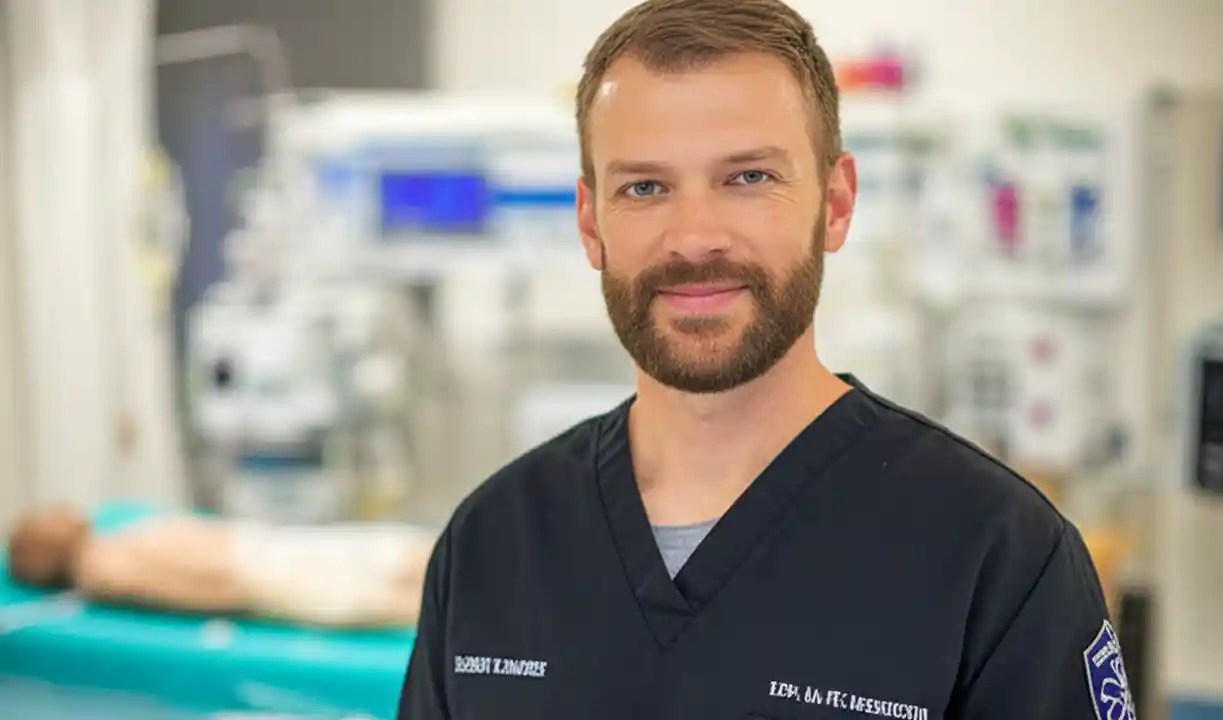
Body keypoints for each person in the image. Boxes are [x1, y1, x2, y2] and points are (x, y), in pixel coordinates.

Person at [398, 0, 1135, 717]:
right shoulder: (490, 547)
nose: (695, 238)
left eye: (748, 178)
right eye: (645, 187)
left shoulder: (998, 558)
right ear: (592, 224)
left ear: (837, 203)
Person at [7, 505, 434, 628]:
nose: (59, 508)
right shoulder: (100, 568)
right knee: (422, 594)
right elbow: (193, 586)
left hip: (271, 552)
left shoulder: (109, 539)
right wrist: (250, 590)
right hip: (269, 574)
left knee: (414, 555)